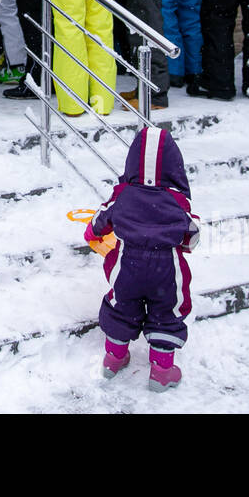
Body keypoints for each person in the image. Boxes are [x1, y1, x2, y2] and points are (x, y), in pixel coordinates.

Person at [88, 126, 201, 391]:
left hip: (128, 264)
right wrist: (180, 241)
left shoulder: (123, 195)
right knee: (166, 311)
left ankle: (113, 359)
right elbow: (192, 235)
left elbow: (100, 219)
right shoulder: (177, 202)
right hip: (166, 269)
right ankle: (162, 371)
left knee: (121, 305)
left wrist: (92, 232)